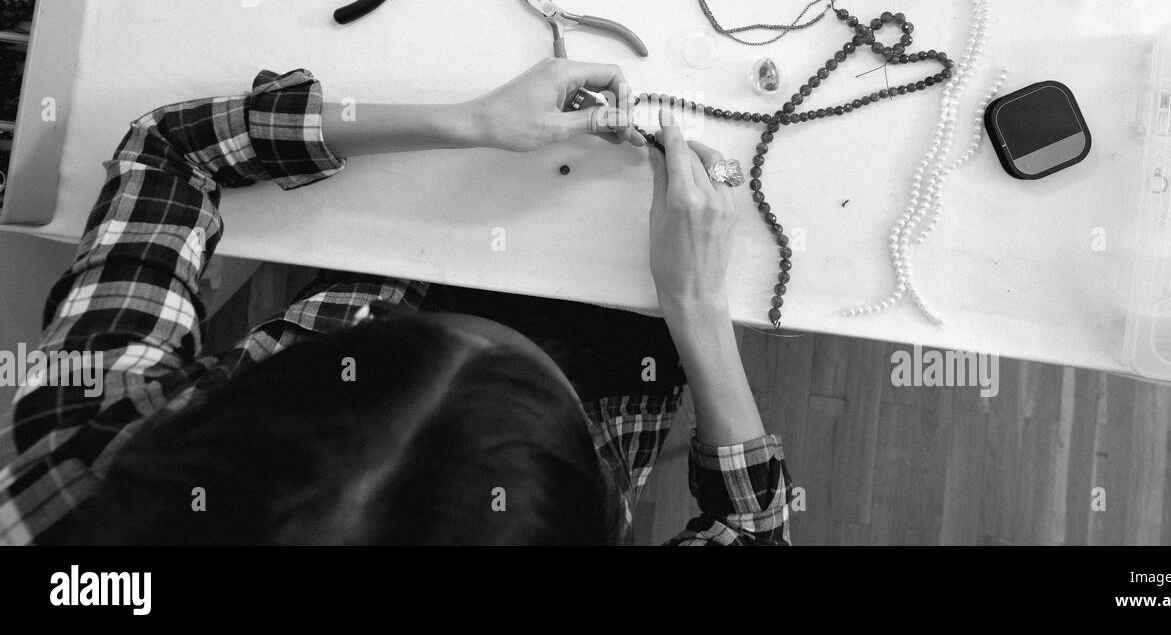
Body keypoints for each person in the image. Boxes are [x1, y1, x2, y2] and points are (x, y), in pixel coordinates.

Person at [0, 59, 790, 545]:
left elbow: (169, 154)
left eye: (401, 335)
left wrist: (469, 121)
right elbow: (750, 531)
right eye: (537, 387)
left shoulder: (85, 470)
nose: (483, 324)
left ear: (212, 404)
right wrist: (695, 303)